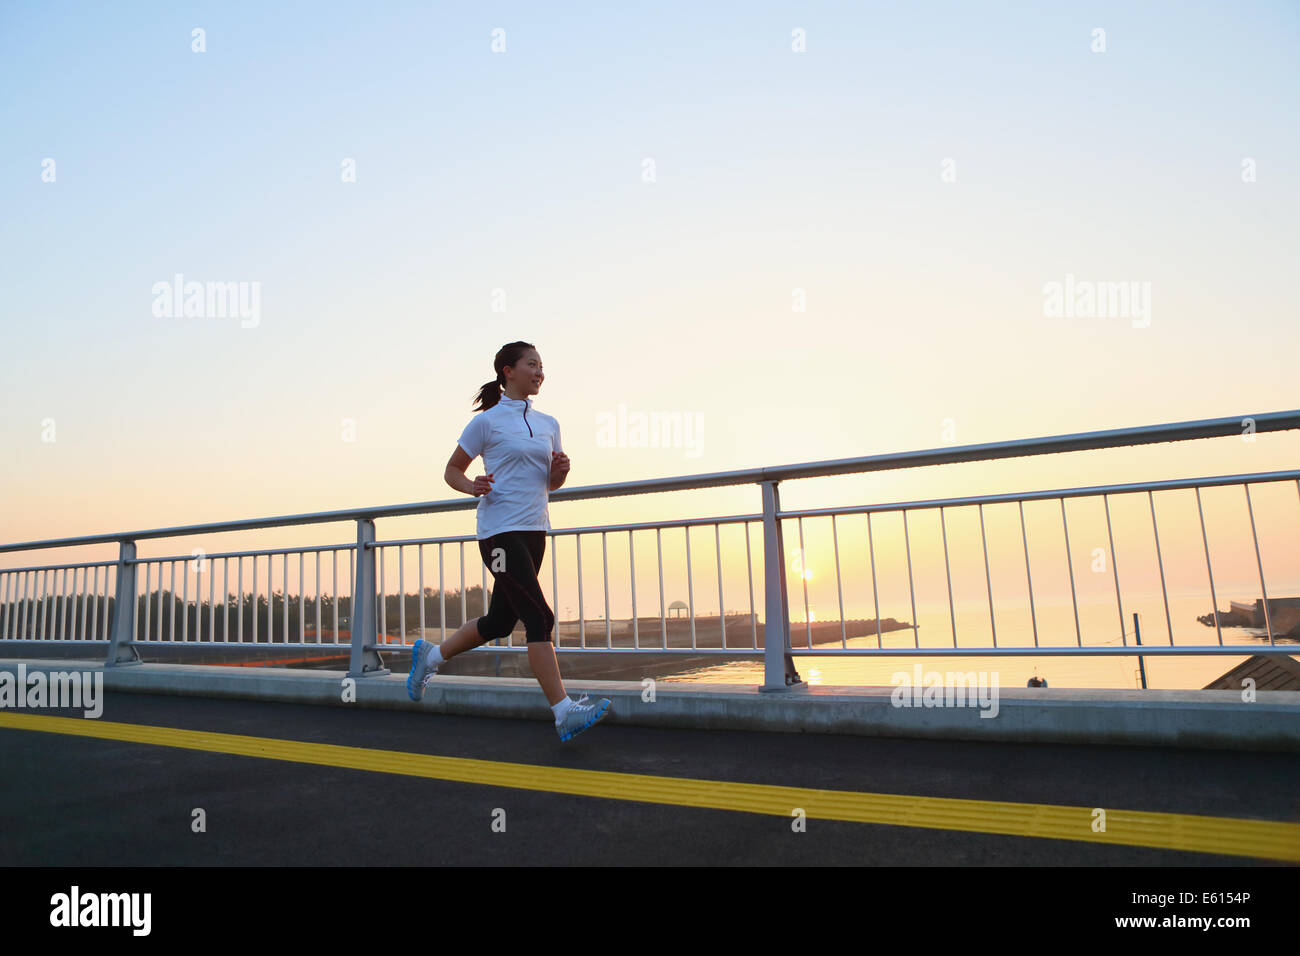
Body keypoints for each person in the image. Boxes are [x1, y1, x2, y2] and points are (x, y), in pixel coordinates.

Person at [407, 340, 612, 741]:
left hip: (535, 530)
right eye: (532, 364)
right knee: (539, 617)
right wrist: (472, 486)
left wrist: (561, 472)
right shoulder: (487, 422)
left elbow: (550, 484)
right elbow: (452, 470)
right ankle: (563, 712)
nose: (539, 372)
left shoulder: (550, 423)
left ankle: (429, 657)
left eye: (542, 366)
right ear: (508, 371)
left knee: (500, 620)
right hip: (498, 532)